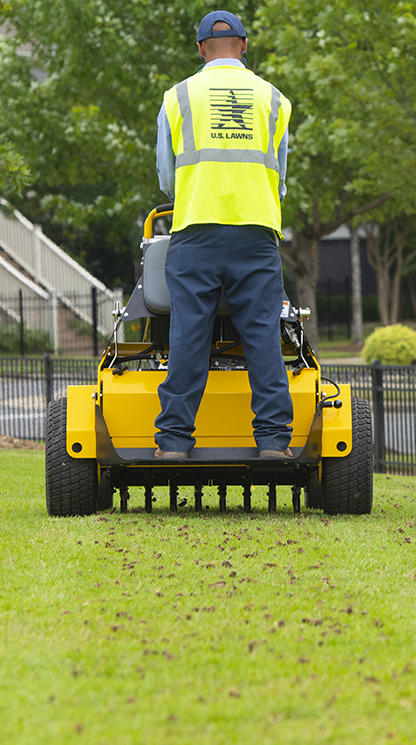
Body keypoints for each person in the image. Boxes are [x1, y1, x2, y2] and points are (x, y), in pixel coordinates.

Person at [152, 10, 294, 460]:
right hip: (256, 233)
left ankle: (174, 441)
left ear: (200, 50)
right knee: (263, 337)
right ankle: (273, 441)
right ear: (245, 45)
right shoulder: (274, 99)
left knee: (188, 335)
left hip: (196, 230)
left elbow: (166, 178)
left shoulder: (177, 97)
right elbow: (281, 175)